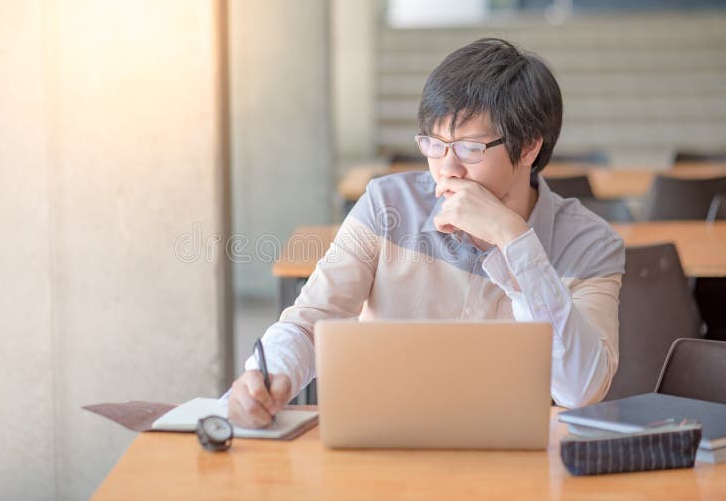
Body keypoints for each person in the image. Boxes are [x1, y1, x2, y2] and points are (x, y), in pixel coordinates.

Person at [227, 38, 625, 428]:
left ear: (529, 148)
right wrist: (266, 379)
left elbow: (580, 389)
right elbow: (308, 324)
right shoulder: (388, 206)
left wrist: (514, 240)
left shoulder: (590, 244)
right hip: (382, 443)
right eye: (434, 144)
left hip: (508, 462)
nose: (447, 169)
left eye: (470, 148)